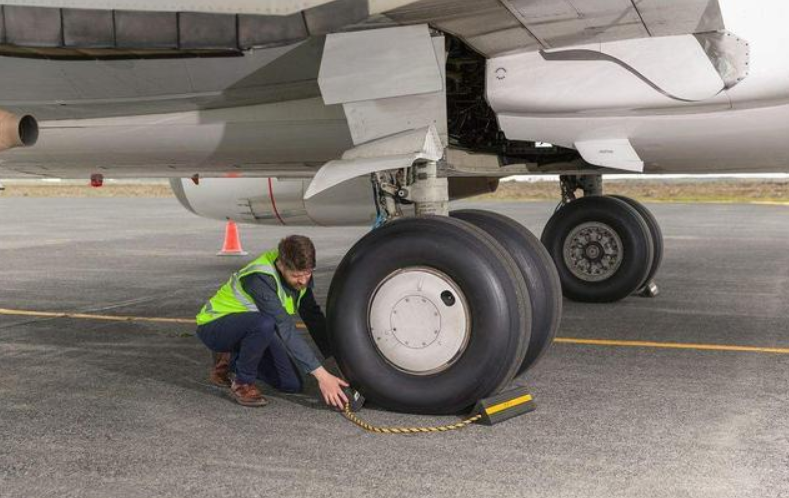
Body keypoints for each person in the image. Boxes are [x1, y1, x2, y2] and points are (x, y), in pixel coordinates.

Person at [195, 234, 348, 409]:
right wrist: (323, 377)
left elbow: (313, 318)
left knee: (291, 384)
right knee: (265, 323)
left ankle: (234, 360)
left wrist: (337, 361)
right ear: (281, 265)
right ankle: (242, 382)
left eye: (307, 273)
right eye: (296, 275)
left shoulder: (300, 276)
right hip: (216, 326)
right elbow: (284, 327)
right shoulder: (259, 278)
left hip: (253, 330)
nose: (303, 280)